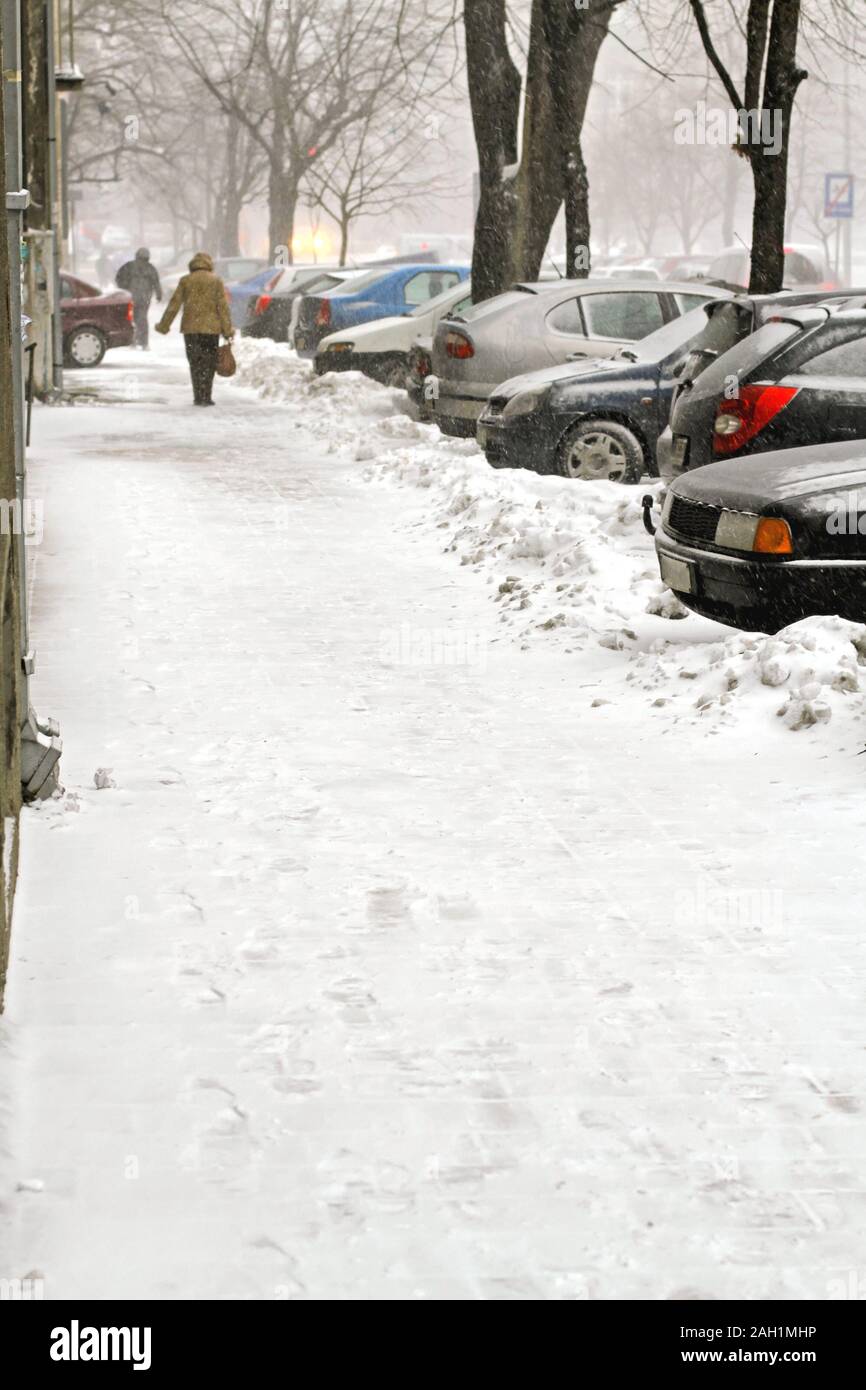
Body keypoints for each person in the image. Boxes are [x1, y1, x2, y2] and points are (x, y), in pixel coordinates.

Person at [155, 252, 234, 406]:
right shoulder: (216, 281)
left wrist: (164, 325)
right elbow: (223, 307)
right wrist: (227, 329)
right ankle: (207, 396)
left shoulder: (186, 280)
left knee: (195, 362)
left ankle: (198, 395)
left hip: (191, 330)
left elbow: (174, 305)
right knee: (209, 362)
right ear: (208, 264)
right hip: (211, 330)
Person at [116, 248, 162, 350]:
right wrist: (159, 294)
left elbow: (119, 278)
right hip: (144, 299)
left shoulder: (129, 266)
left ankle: (133, 341)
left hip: (130, 298)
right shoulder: (150, 268)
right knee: (142, 319)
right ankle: (144, 343)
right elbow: (156, 282)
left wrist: (124, 289)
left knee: (131, 319)